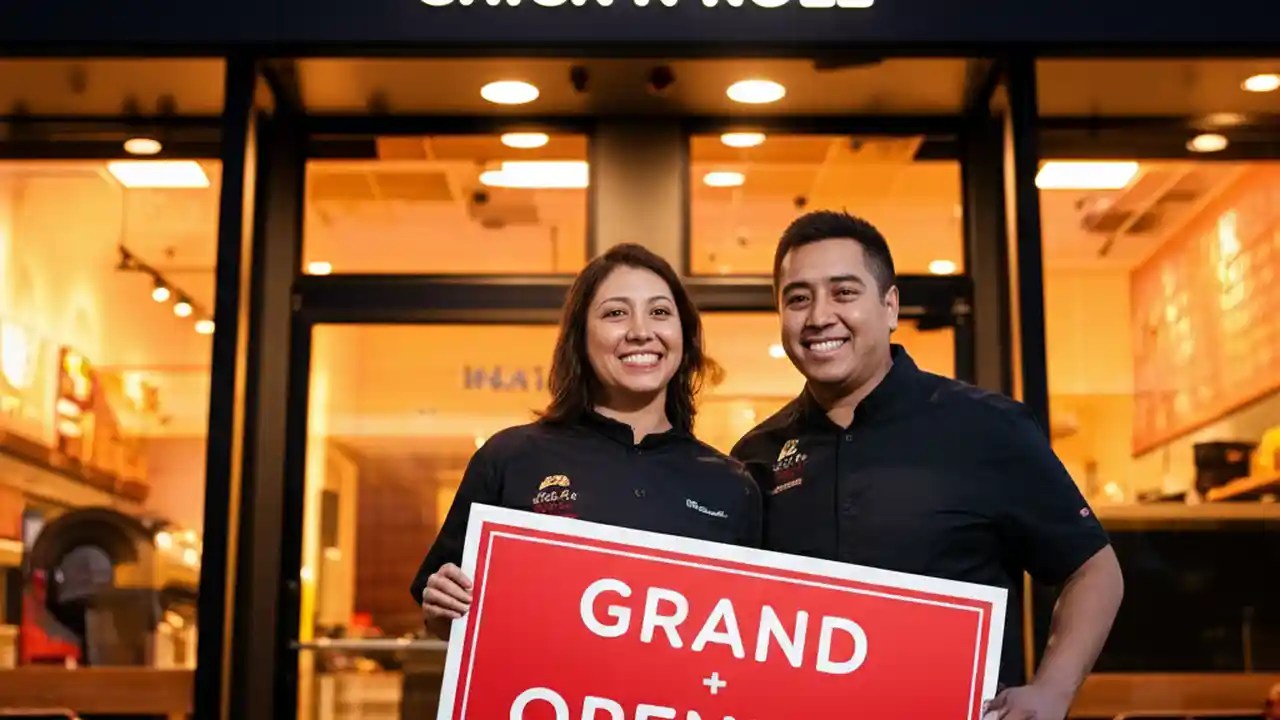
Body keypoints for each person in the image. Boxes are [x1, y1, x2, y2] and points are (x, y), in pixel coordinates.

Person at [731, 210, 1124, 720]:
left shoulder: (986, 427)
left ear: (889, 306)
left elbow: (1094, 570)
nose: (819, 316)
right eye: (798, 298)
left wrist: (1052, 691)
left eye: (844, 293)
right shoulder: (756, 456)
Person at [412, 243, 762, 640]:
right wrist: (442, 603)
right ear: (580, 336)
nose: (641, 331)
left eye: (660, 312)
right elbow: (446, 615)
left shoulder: (732, 487)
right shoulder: (510, 459)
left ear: (684, 334)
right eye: (616, 313)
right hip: (543, 700)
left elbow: (747, 635)